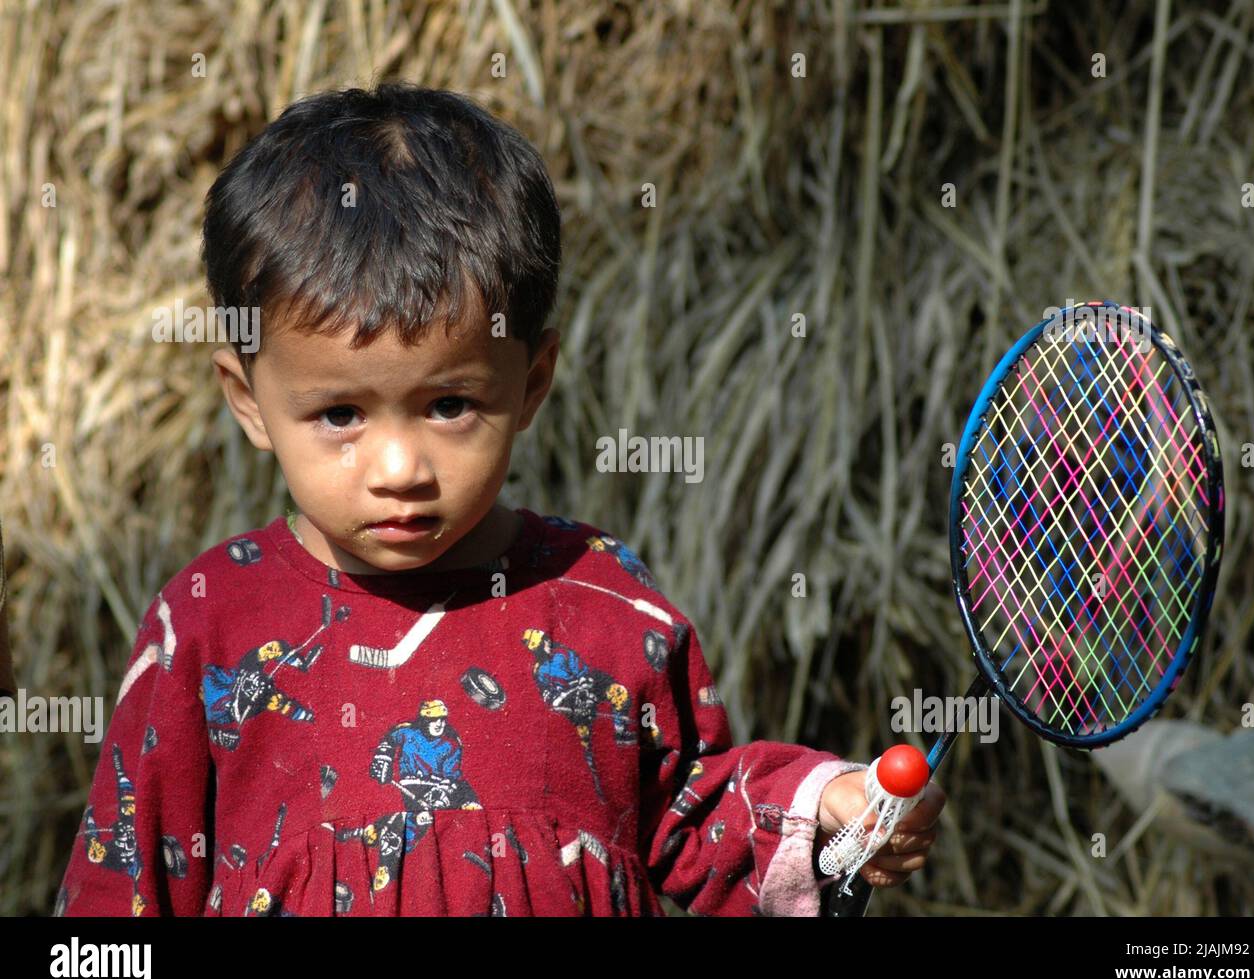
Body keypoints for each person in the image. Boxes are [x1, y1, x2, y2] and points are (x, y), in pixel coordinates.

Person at [54, 83, 943, 917]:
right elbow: (119, 886)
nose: (399, 464)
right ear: (249, 400)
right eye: (339, 414)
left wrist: (831, 809)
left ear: (532, 382)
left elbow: (694, 811)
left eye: (450, 404)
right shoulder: (210, 624)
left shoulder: (601, 602)